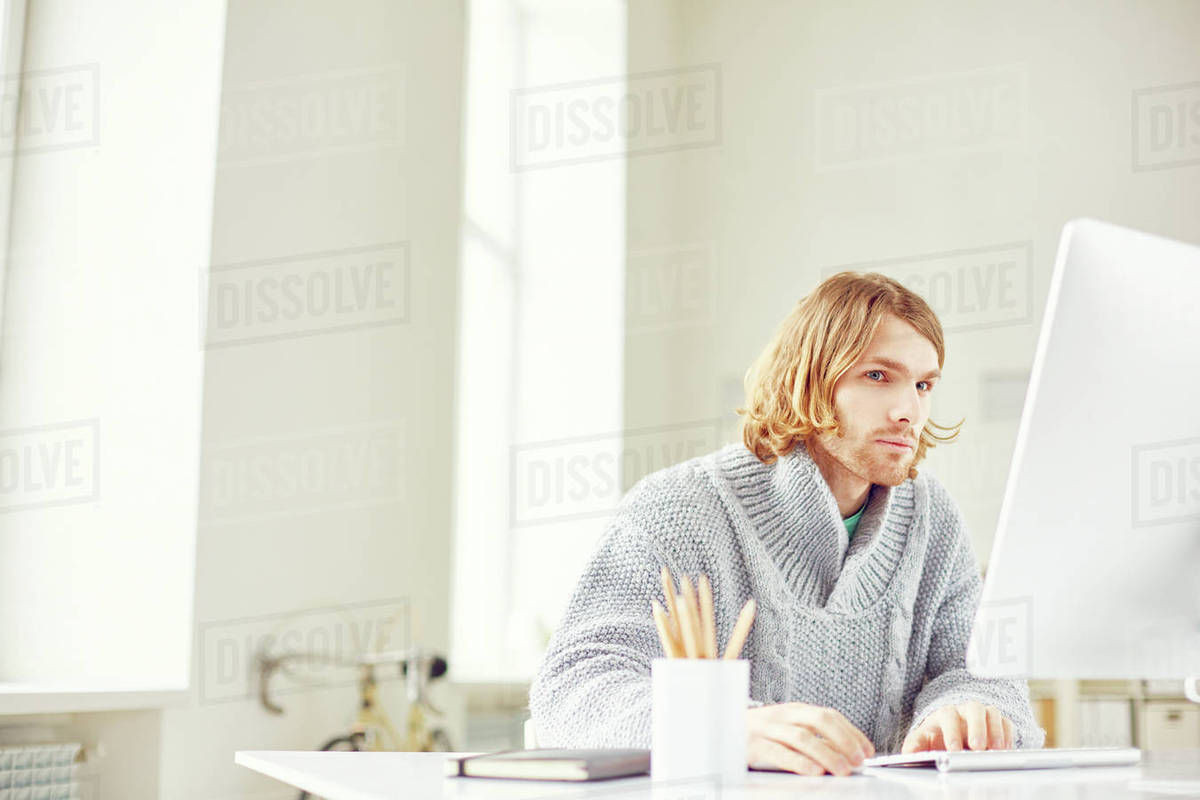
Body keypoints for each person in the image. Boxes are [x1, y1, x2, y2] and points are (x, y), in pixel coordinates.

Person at [528, 271, 1045, 776]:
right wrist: (723, 729)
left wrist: (965, 708)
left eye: (924, 384)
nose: (910, 411)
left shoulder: (933, 518)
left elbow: (985, 676)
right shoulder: (677, 507)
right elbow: (573, 689)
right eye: (878, 376)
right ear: (809, 380)